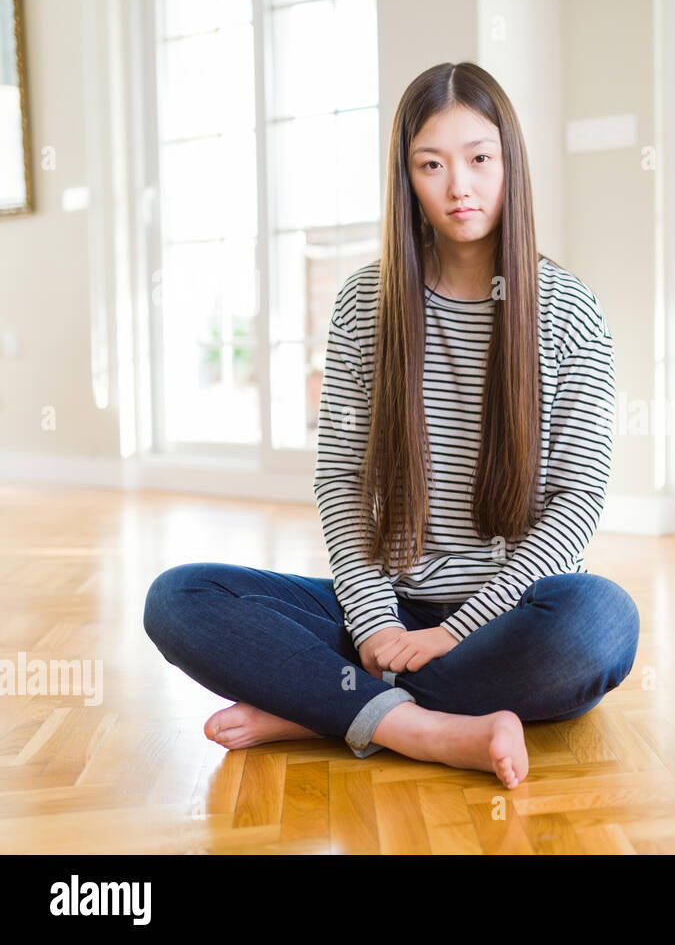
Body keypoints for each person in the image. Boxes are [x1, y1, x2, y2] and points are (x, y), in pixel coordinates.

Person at [143, 62, 640, 790]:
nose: (458, 186)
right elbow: (341, 479)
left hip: (513, 617)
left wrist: (451, 634)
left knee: (599, 622)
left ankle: (328, 706)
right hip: (388, 610)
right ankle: (425, 726)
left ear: (511, 164)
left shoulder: (570, 311)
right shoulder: (364, 305)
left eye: (479, 159)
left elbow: (576, 505)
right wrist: (377, 623)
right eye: (431, 165)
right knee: (179, 598)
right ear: (406, 178)